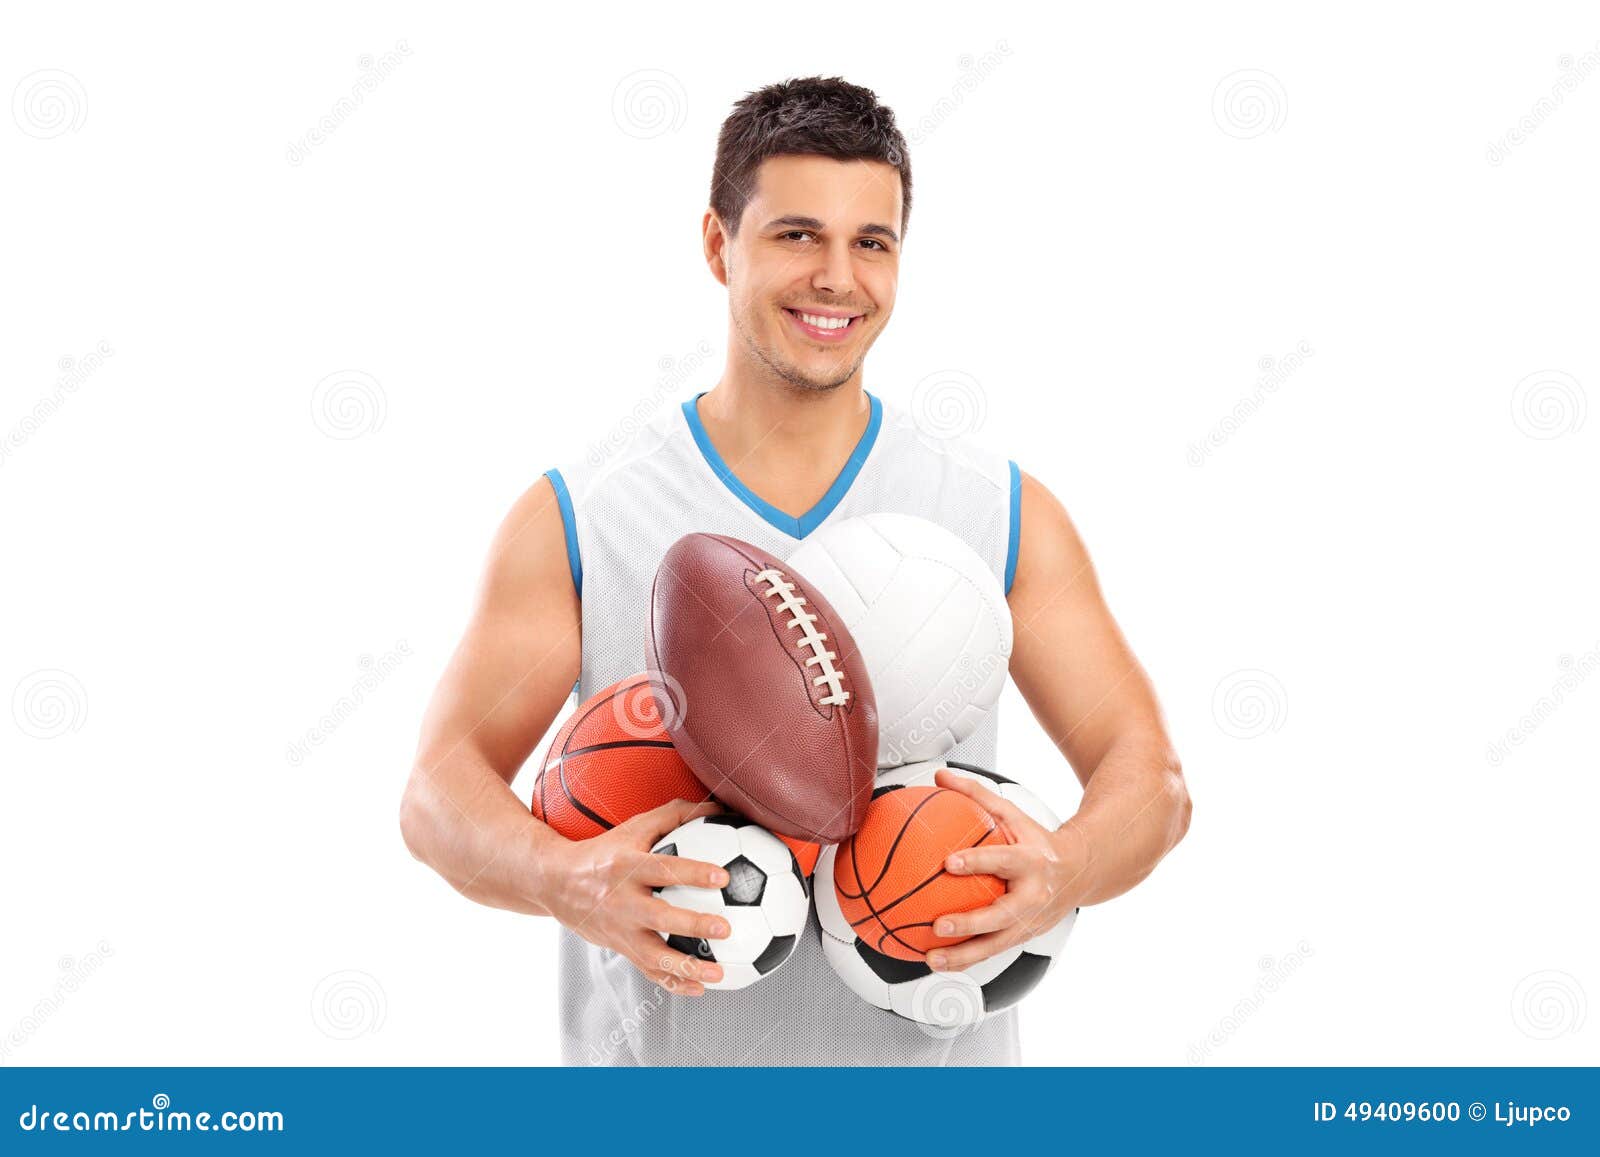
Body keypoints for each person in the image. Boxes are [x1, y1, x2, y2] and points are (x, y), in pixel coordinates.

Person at [399, 76, 1191, 1065]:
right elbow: (436, 793)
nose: (836, 277)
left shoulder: (997, 509)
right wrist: (564, 878)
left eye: (872, 242)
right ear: (716, 244)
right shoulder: (586, 511)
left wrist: (1063, 866)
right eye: (795, 235)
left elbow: (1148, 777)